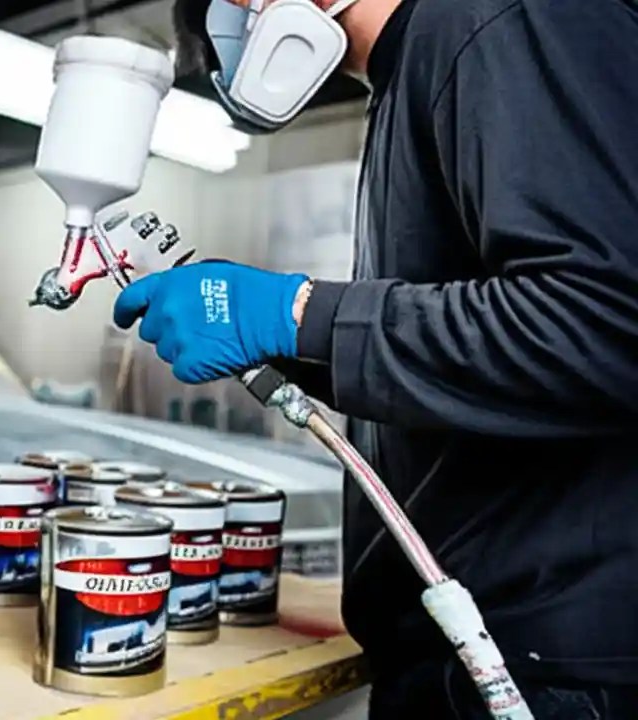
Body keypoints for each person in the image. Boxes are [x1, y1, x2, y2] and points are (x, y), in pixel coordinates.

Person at [122, 0, 638, 717]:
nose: (241, 13)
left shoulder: (495, 17)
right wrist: (284, 338)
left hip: (547, 662)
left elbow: (606, 323)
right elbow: (473, 350)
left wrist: (292, 313)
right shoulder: (418, 69)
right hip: (480, 649)